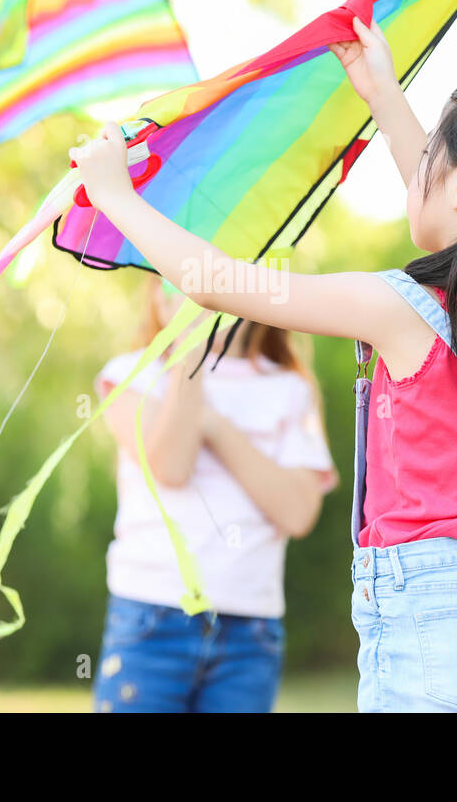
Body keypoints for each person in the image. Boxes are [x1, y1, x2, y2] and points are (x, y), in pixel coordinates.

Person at [72, 16, 457, 712]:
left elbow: (216, 283)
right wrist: (383, 95)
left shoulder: (396, 308)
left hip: (427, 634)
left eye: (428, 159)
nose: (413, 171)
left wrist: (117, 196)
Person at [91, 279, 337, 712]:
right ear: (155, 294)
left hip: (249, 632)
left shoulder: (290, 391)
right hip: (151, 618)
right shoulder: (131, 375)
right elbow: (170, 467)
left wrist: (214, 426)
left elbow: (298, 512)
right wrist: (189, 352)